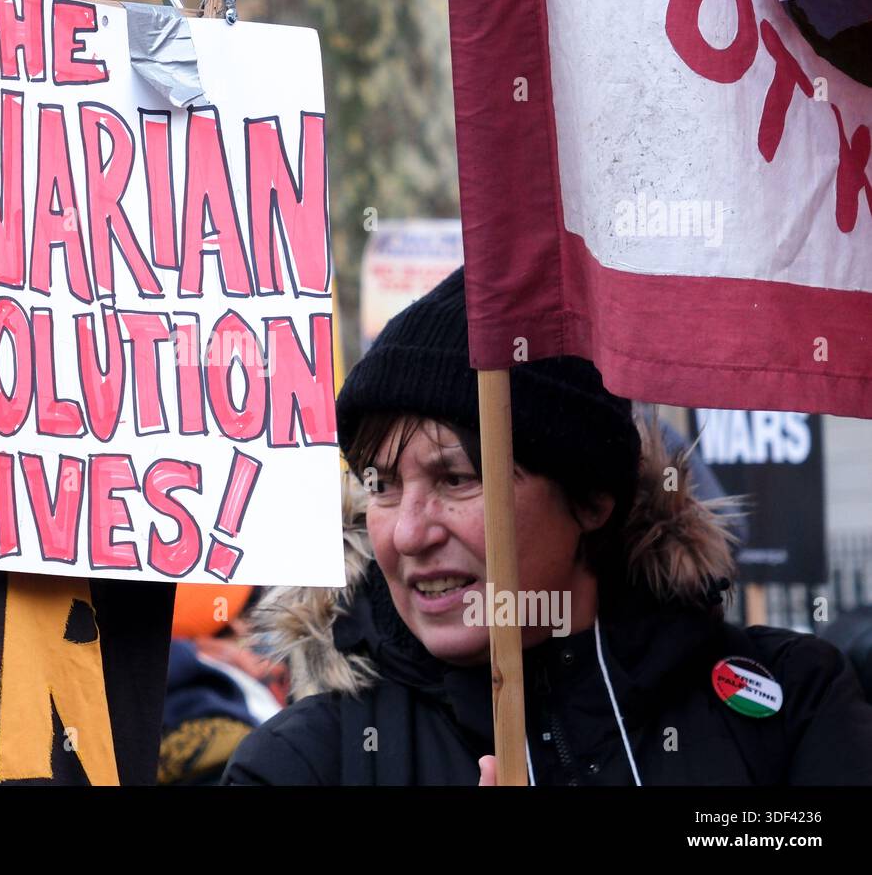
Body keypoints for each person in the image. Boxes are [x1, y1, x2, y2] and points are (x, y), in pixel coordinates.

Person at [222, 267, 872, 785]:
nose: (408, 534)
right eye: (382, 486)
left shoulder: (789, 706)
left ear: (591, 499)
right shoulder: (305, 761)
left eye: (456, 479)